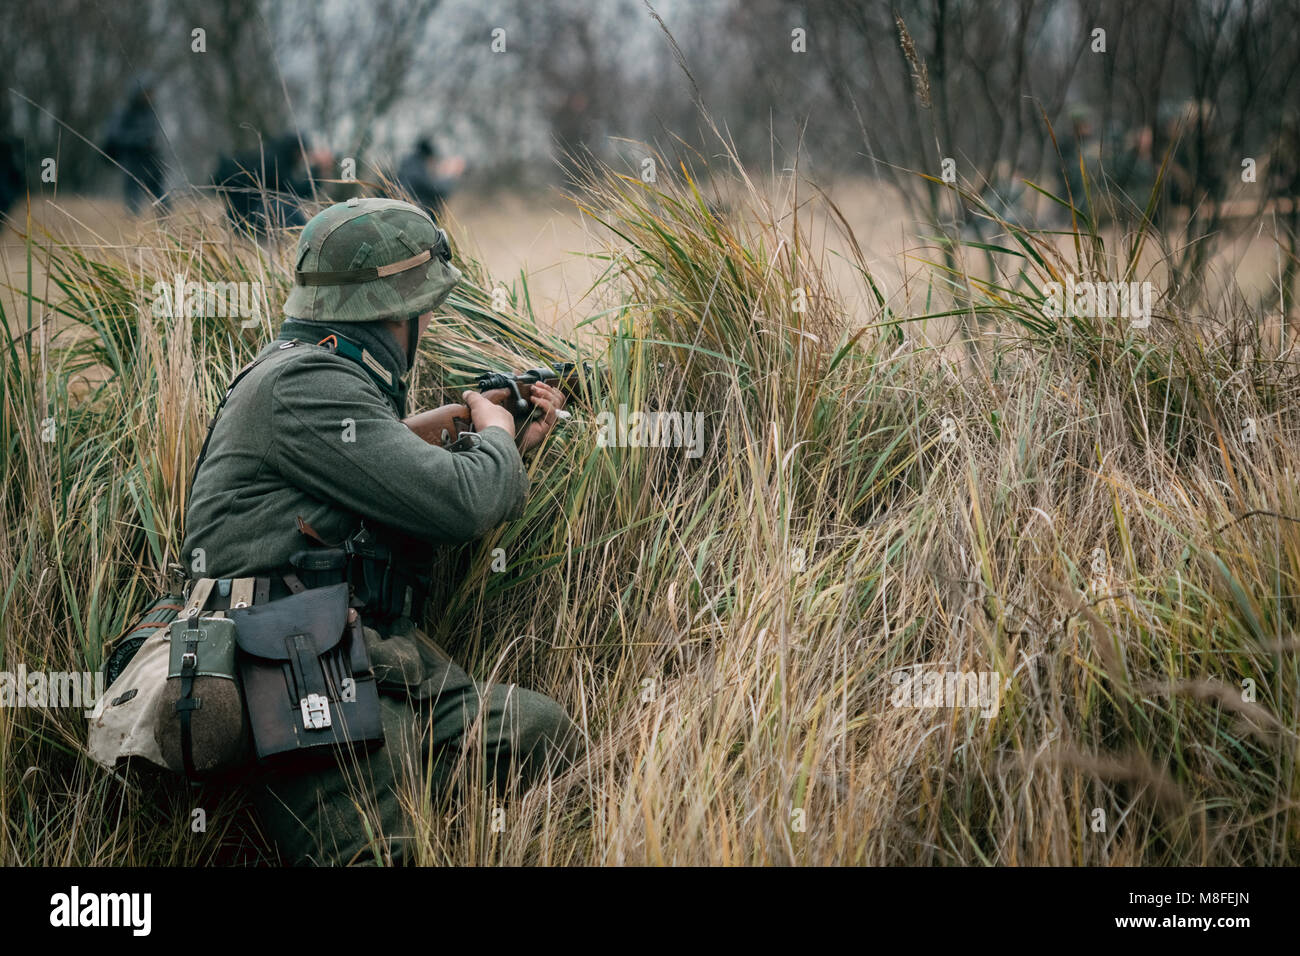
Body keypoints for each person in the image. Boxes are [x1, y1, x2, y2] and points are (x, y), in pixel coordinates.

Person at [181, 197, 582, 864]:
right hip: (294, 666)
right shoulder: (309, 385)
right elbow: (463, 503)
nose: (423, 321)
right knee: (376, 855)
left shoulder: (315, 371)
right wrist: (496, 436)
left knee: (541, 734)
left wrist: (492, 437)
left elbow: (387, 463)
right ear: (392, 313)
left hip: (372, 661)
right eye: (421, 308)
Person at [102, 74, 166, 214]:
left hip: (152, 161)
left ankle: (166, 226)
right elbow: (114, 136)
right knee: (133, 198)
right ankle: (133, 226)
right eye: (146, 93)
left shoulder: (151, 112)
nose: (149, 96)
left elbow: (154, 134)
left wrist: (150, 142)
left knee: (161, 199)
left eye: (151, 93)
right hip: (133, 162)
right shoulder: (124, 113)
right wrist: (138, 141)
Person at [396, 137, 464, 221]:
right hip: (418, 220)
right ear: (428, 157)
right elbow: (436, 191)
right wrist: (451, 175)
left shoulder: (409, 166)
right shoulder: (416, 172)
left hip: (408, 217)